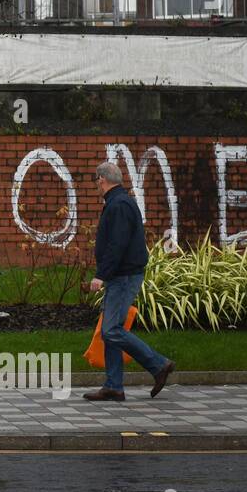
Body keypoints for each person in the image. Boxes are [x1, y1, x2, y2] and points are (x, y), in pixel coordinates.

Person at [83, 162, 175, 402]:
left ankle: (158, 364)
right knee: (111, 329)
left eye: (96, 181)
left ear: (102, 179)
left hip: (123, 276)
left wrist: (101, 274)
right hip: (121, 275)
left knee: (111, 329)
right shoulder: (119, 202)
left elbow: (118, 244)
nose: (96, 185)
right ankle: (114, 386)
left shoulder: (120, 205)